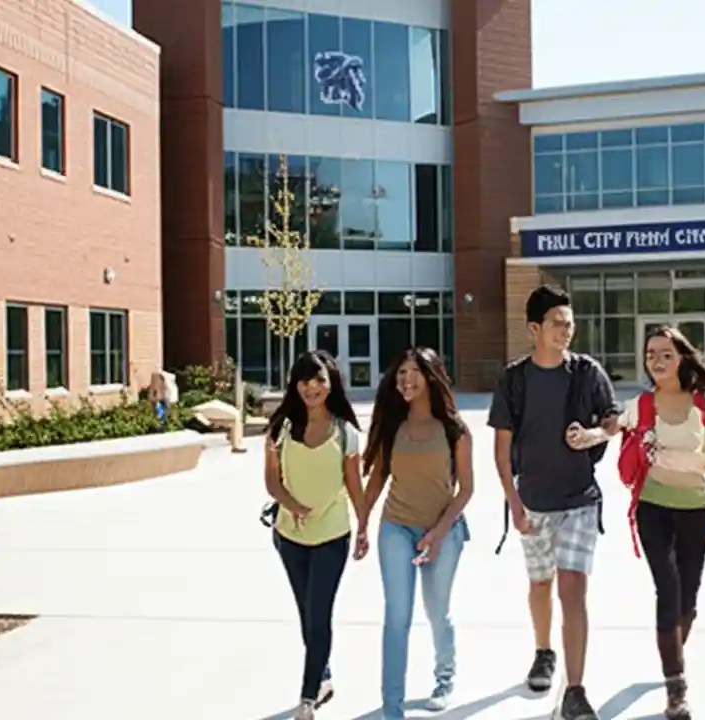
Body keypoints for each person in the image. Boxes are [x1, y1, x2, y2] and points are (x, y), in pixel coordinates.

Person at [488, 284, 620, 720]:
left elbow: (613, 421)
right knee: (541, 584)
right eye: (558, 324)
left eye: (570, 323)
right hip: (533, 503)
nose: (567, 330)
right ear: (534, 329)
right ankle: (544, 652)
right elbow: (502, 450)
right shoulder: (514, 379)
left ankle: (576, 691)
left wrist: (593, 436)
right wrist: (514, 506)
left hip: (580, 500)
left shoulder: (587, 373)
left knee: (572, 588)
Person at [602, 325, 705, 719]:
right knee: (667, 593)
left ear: (681, 357)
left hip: (696, 510)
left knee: (688, 600)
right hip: (652, 507)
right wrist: (584, 435)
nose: (657, 361)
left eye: (666, 353)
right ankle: (676, 686)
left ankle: (674, 647)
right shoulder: (642, 404)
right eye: (651, 354)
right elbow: (611, 427)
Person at [361, 347, 474, 719]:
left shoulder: (455, 428)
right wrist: (362, 523)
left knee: (437, 612)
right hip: (396, 527)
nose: (405, 381)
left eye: (413, 373)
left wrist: (440, 532)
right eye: (400, 375)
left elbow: (467, 490)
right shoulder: (395, 426)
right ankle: (392, 708)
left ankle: (445, 678)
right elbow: (377, 476)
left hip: (443, 531)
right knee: (397, 616)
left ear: (430, 377)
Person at [263, 349, 369, 720]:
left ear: (331, 382)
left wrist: (364, 528)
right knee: (307, 613)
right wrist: (291, 504)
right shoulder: (281, 429)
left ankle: (307, 698)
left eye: (320, 379)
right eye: (305, 380)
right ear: (295, 384)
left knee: (319, 615)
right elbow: (271, 483)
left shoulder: (346, 433)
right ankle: (323, 677)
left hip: (332, 536)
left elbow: (355, 487)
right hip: (289, 538)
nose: (313, 387)